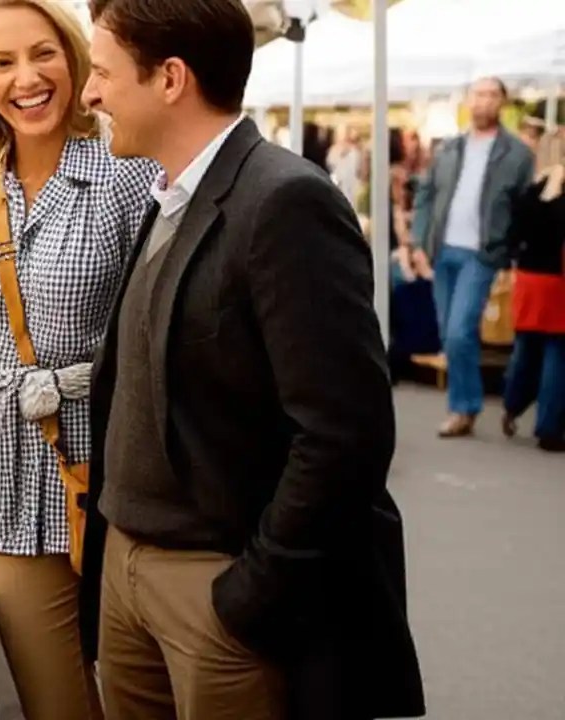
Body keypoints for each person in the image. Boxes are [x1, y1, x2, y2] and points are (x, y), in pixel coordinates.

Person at [80, 1, 425, 719]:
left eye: (102, 72)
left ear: (170, 78)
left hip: (216, 590)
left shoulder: (285, 201)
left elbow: (344, 435)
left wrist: (246, 597)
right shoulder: (169, 195)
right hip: (129, 570)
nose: (90, 93)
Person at [0, 2, 158, 719]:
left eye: (43, 54)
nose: (26, 79)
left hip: (111, 472)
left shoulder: (127, 170)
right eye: (2, 63)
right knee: (56, 702)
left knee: (135, 697)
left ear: (76, 56)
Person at [413, 77, 536, 438]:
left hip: (482, 253)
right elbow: (425, 194)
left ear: (502, 102)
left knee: (459, 331)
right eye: (478, 94)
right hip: (443, 249)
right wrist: (419, 243)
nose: (483, 101)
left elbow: (524, 209)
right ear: (468, 100)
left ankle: (463, 408)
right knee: (449, 333)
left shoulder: (516, 154)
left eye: (491, 95)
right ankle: (463, 405)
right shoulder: (449, 148)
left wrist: (510, 255)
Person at [501, 163, 565, 452]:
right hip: (557, 280)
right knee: (557, 354)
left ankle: (512, 406)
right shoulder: (556, 196)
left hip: (528, 279)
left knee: (526, 347)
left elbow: (514, 234)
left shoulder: (531, 190)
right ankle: (549, 426)